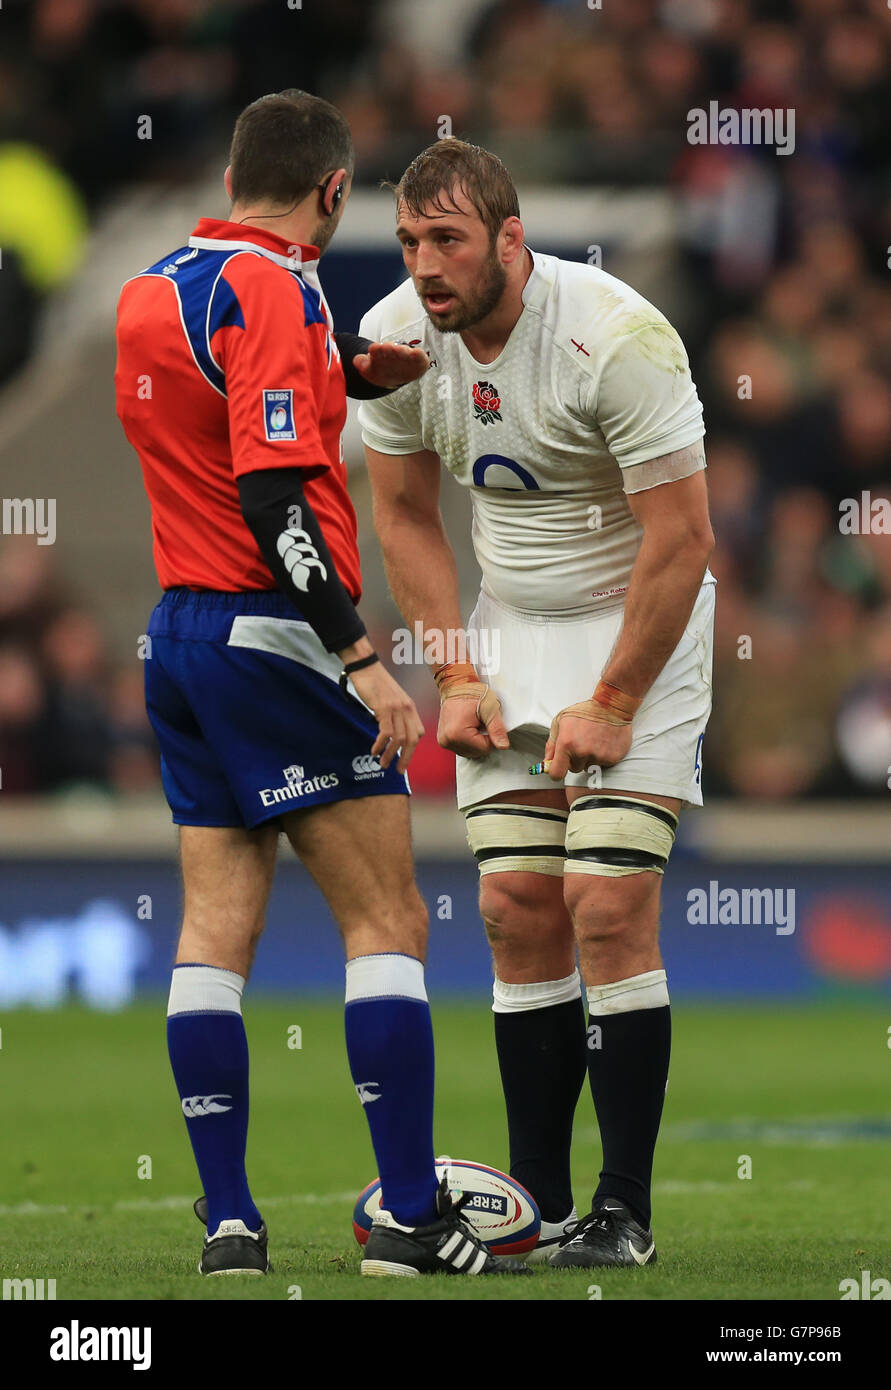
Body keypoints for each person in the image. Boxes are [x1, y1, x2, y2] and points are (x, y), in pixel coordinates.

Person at [115, 94, 530, 1280]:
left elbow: (209, 404)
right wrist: (362, 655)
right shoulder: (282, 285)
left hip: (179, 637)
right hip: (278, 636)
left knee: (212, 936)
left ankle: (231, 1224)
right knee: (389, 922)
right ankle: (407, 1215)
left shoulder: (155, 285)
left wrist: (341, 366)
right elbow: (274, 496)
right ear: (335, 193)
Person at [359, 138, 715, 1268]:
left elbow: (685, 538)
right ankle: (534, 1204)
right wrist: (457, 671)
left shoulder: (617, 337)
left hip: (639, 621)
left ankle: (623, 1211)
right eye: (411, 240)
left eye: (448, 240)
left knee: (605, 909)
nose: (424, 265)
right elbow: (407, 515)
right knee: (516, 907)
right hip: (511, 623)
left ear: (511, 239)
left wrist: (614, 699)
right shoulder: (396, 340)